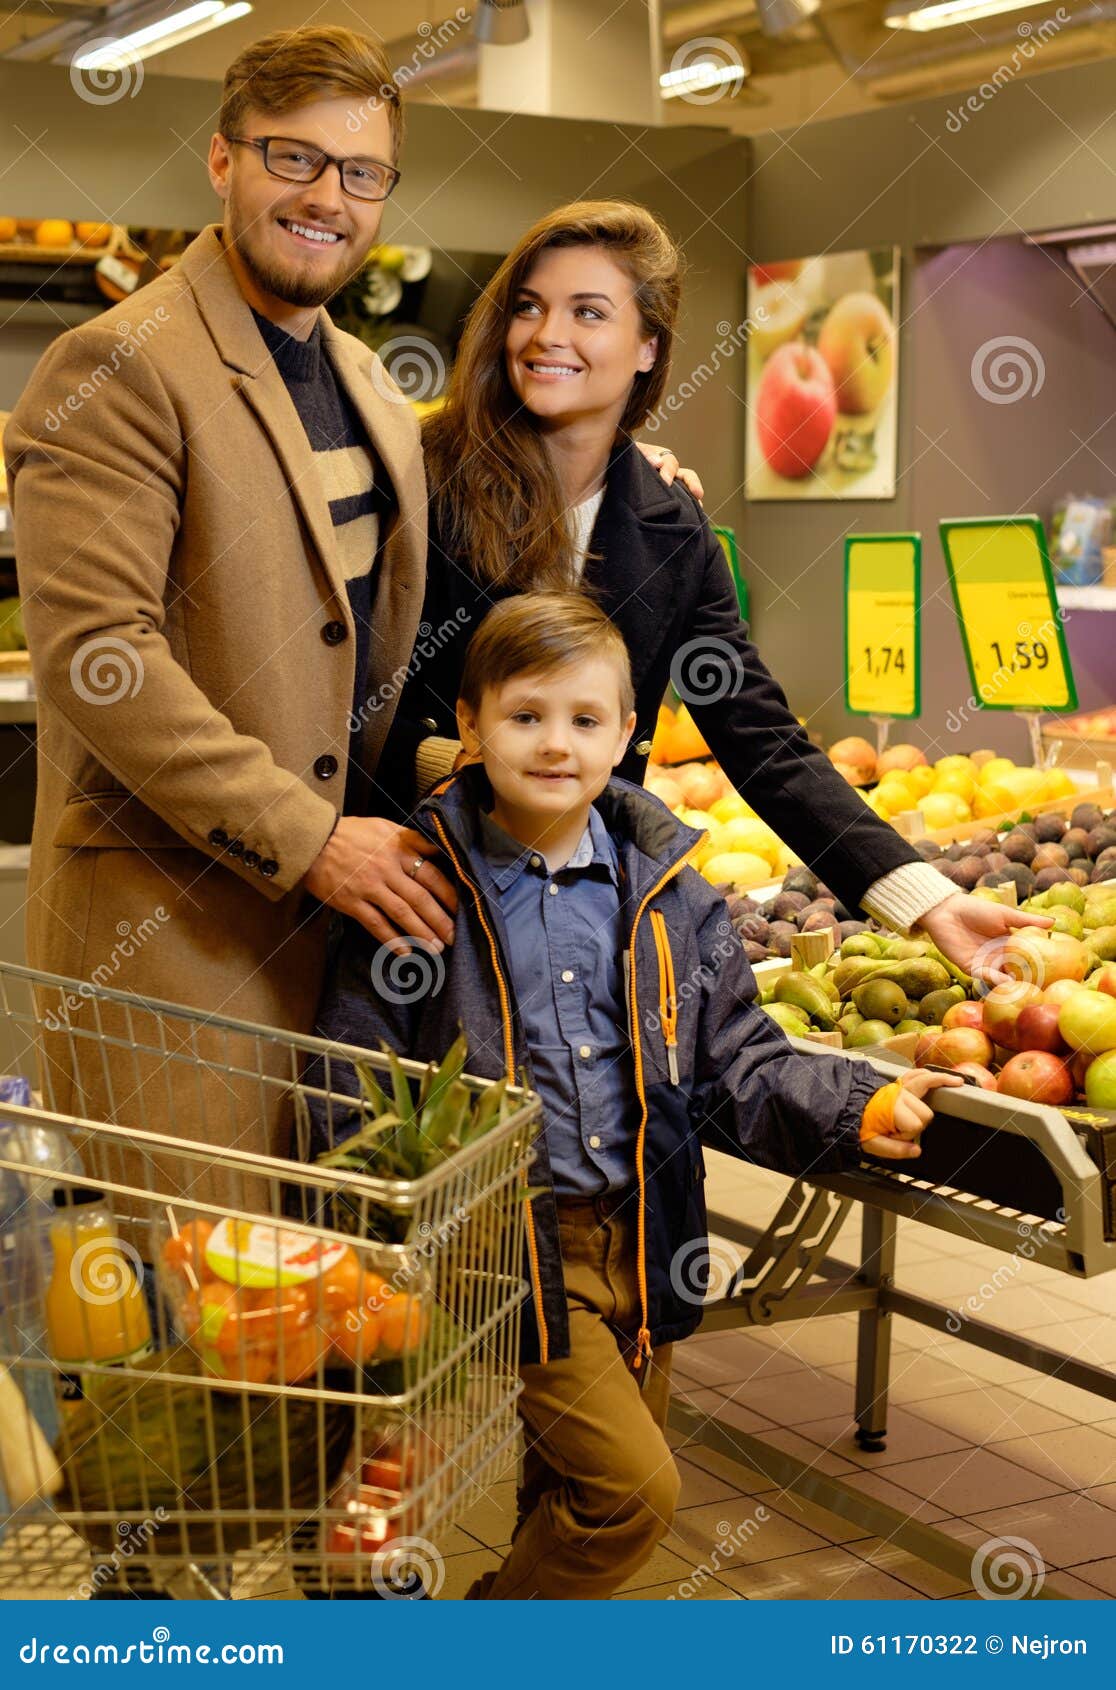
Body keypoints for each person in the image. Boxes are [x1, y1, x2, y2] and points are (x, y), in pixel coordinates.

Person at [0, 27, 691, 1171]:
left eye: (361, 173)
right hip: (175, 928)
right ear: (224, 162)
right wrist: (311, 842)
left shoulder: (367, 383)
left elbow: (467, 518)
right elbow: (97, 657)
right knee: (202, 1303)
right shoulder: (117, 365)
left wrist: (626, 464)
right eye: (293, 158)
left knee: (338, 1302)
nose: (329, 197)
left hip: (348, 939)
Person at [305, 592, 961, 1601]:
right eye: (525, 717)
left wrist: (853, 1106)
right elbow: (354, 1064)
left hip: (649, 1239)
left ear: (627, 732)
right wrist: (371, 1220)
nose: (556, 743)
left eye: (584, 719)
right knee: (632, 1494)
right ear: (470, 727)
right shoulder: (423, 884)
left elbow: (739, 1058)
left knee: (566, 1490)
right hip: (513, 1247)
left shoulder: (675, 897)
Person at [370, 200, 1049, 980]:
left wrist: (923, 899)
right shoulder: (420, 479)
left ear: (648, 349)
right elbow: (335, 689)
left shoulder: (670, 525)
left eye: (588, 312)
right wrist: (451, 765)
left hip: (581, 919)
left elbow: (759, 735)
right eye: (528, 306)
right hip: (414, 895)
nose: (546, 335)